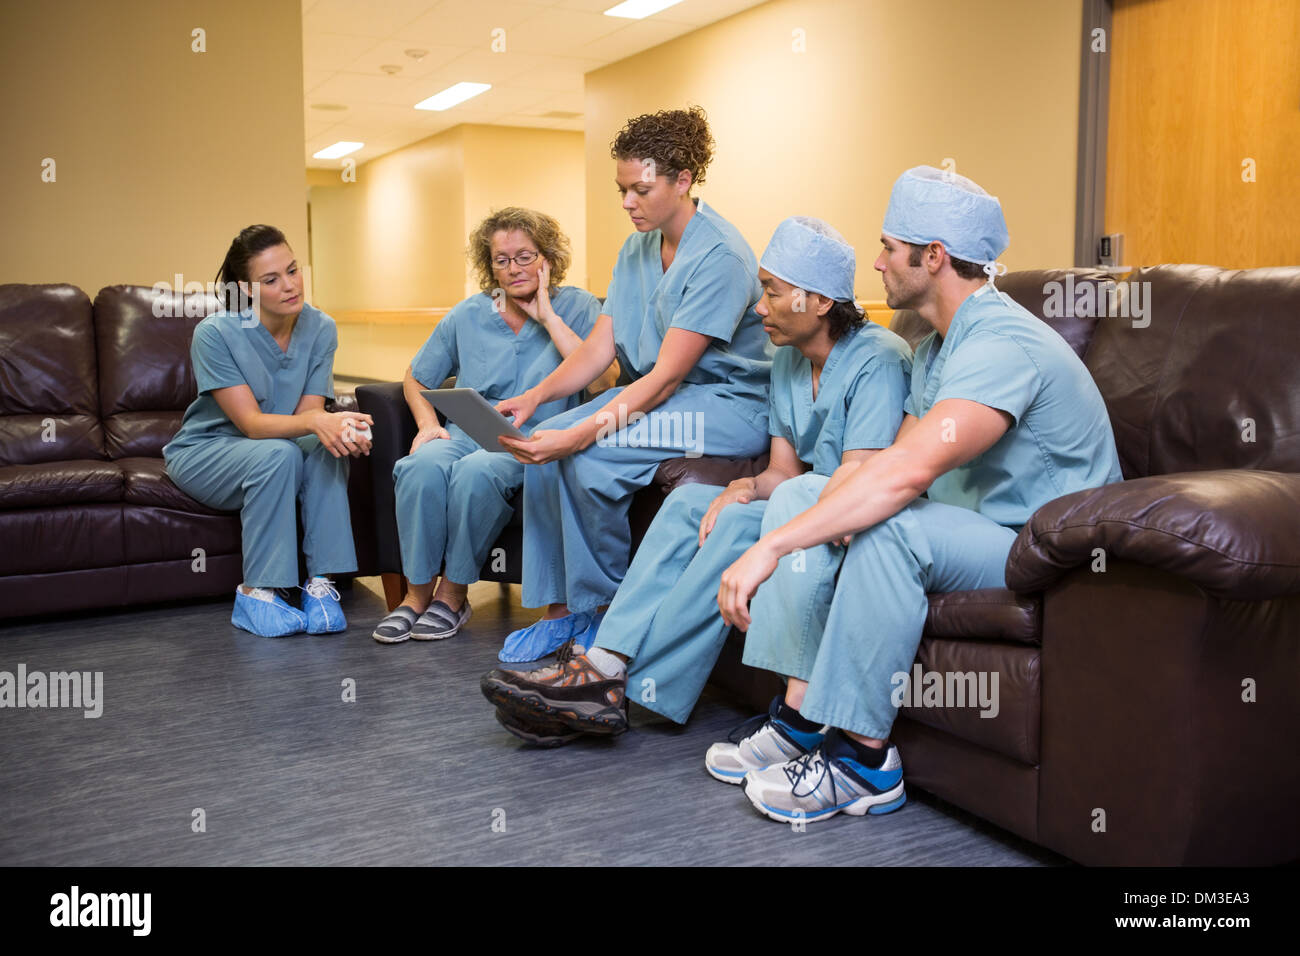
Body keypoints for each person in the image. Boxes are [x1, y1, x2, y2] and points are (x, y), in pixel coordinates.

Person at [704, 166, 1123, 824]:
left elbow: (904, 479)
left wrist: (772, 550)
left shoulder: (1001, 344)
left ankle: (866, 765)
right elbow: (889, 461)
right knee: (803, 494)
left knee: (887, 526)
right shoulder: (934, 350)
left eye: (888, 249)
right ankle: (798, 723)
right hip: (970, 529)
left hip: (1041, 550)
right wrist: (812, 504)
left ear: (933, 257)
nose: (875, 263)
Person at [480, 217, 913, 747]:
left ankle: (619, 688)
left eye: (772, 293)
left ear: (818, 302)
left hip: (848, 514)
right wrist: (743, 487)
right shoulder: (787, 364)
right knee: (690, 504)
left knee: (729, 529)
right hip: (800, 498)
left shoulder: (880, 360)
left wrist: (750, 504)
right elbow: (781, 472)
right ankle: (603, 662)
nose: (757, 307)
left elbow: (858, 485)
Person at [489, 106, 774, 664]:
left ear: (684, 179)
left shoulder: (720, 255)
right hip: (668, 391)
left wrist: (582, 435)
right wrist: (537, 396)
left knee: (589, 457)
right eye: (622, 190)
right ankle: (559, 610)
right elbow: (600, 348)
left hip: (728, 404)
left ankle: (607, 614)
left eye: (640, 189)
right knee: (542, 443)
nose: (627, 203)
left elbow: (667, 377)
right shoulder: (636, 248)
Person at [371, 208, 604, 643]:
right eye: (501, 260)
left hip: (537, 440)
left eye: (524, 256)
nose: (512, 269)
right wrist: (425, 426)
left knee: (478, 472)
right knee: (419, 465)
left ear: (547, 257)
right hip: (467, 433)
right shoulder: (469, 314)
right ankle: (415, 596)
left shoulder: (580, 307)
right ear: (488, 264)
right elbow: (417, 376)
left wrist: (549, 318)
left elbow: (604, 380)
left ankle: (453, 594)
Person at [164, 224, 371, 638]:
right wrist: (316, 422)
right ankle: (257, 592)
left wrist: (337, 427)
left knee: (324, 446)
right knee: (281, 452)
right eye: (271, 280)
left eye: (293, 270)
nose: (291, 286)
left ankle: (321, 584)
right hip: (209, 450)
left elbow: (308, 416)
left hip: (281, 445)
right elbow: (251, 424)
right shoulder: (215, 334)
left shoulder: (321, 327)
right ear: (247, 289)